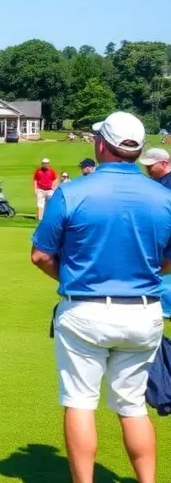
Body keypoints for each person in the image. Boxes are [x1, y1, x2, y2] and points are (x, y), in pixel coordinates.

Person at [31, 111, 171, 483]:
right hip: (144, 313)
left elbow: (41, 255)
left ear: (100, 144)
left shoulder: (73, 191)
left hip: (85, 310)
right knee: (132, 405)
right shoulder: (163, 196)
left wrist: (73, 278)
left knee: (79, 402)